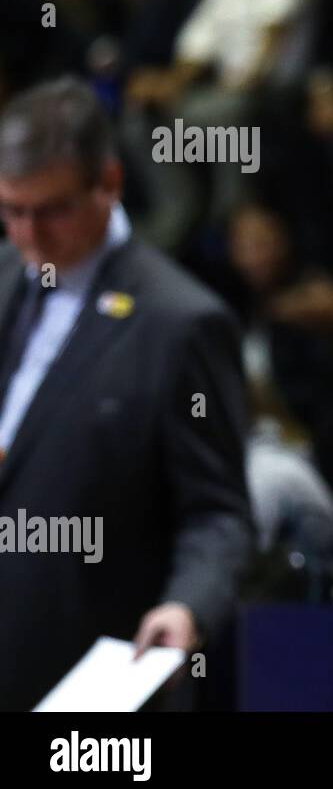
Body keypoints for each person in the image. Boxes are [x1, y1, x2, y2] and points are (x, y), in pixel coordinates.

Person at [0, 77, 252, 711]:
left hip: (86, 677)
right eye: (11, 209)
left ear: (109, 183)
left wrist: (187, 605)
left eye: (52, 209)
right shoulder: (4, 273)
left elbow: (217, 512)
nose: (30, 235)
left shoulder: (181, 322)